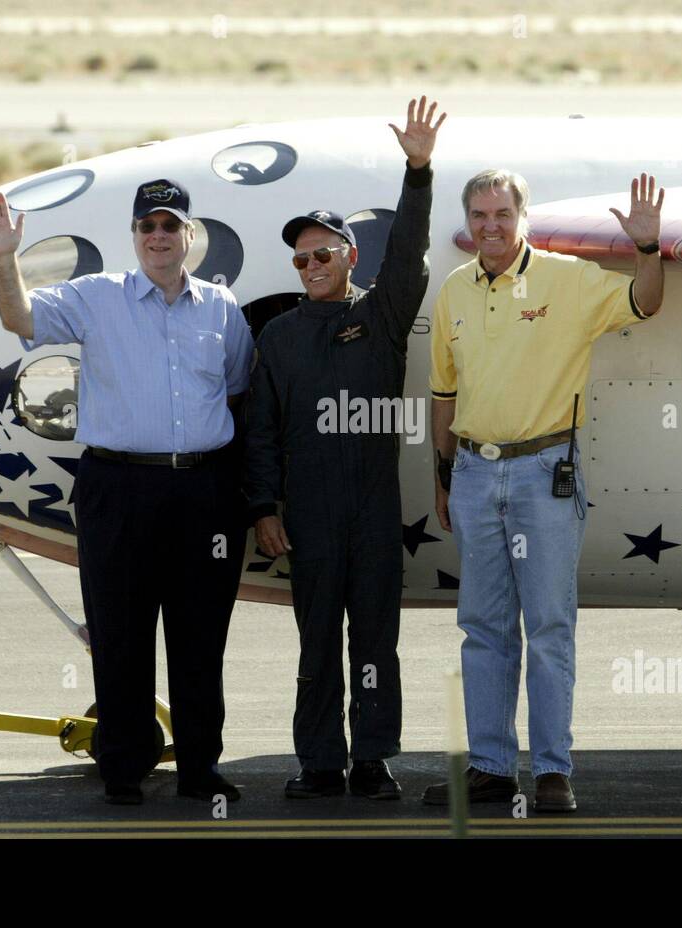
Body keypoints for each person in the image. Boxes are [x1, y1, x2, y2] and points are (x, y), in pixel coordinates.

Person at [0, 180, 253, 806]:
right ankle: (124, 767)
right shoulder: (94, 297)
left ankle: (199, 767)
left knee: (200, 635)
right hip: (118, 486)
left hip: (204, 490)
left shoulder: (221, 308)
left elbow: (235, 389)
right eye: (147, 226)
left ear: (189, 236)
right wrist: (3, 258)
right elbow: (19, 317)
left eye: (170, 226)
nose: (158, 236)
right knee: (121, 632)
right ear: (134, 236)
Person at [423, 170, 665, 813]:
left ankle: (553, 772)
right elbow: (443, 394)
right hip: (474, 473)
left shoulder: (569, 278)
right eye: (479, 215)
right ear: (467, 220)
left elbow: (646, 303)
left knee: (549, 628)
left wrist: (648, 250)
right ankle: (490, 768)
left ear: (522, 217)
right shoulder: (452, 290)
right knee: (483, 626)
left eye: (502, 214)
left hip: (545, 473)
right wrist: (443, 473)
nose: (490, 227)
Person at [245, 96, 444, 800]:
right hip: (310, 514)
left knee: (374, 642)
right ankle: (320, 760)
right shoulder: (279, 336)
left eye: (323, 254)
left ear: (349, 257)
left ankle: (373, 758)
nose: (310, 265)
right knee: (317, 643)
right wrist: (264, 508)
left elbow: (412, 254)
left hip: (372, 508)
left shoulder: (382, 317)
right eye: (301, 258)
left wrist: (417, 172)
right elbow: (261, 431)